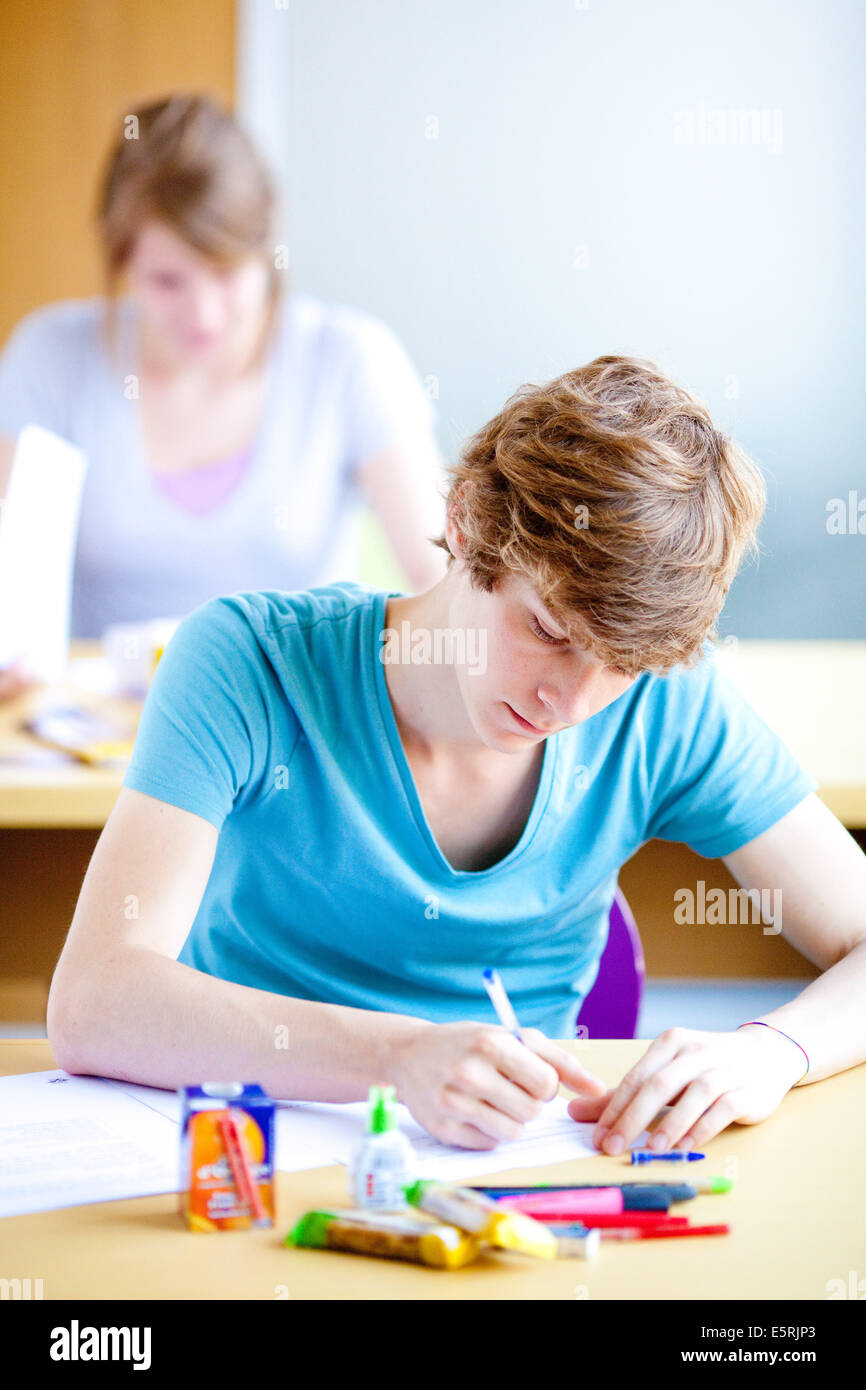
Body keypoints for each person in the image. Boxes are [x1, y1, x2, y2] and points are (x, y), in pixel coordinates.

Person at [46, 356, 866, 1154]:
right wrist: (395, 1060)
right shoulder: (248, 661)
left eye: (623, 667)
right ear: (469, 521)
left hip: (516, 1168)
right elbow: (95, 999)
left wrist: (772, 1050)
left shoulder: (670, 707)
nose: (569, 706)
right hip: (241, 1154)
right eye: (548, 630)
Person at [0, 93, 447, 651]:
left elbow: (445, 585)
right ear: (121, 260)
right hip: (97, 723)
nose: (203, 315)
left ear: (267, 245)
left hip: (291, 717)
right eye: (167, 281)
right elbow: (11, 588)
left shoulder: (350, 361)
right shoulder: (50, 358)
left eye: (226, 273)